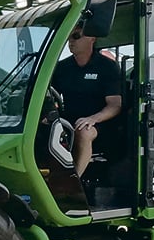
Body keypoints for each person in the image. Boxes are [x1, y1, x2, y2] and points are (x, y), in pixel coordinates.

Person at [51, 28, 123, 177]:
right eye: (69, 36)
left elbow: (115, 105)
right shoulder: (62, 68)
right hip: (69, 119)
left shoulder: (107, 67)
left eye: (76, 36)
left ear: (92, 38)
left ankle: (73, 182)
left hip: (101, 123)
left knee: (83, 131)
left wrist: (92, 119)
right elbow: (51, 96)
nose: (71, 41)